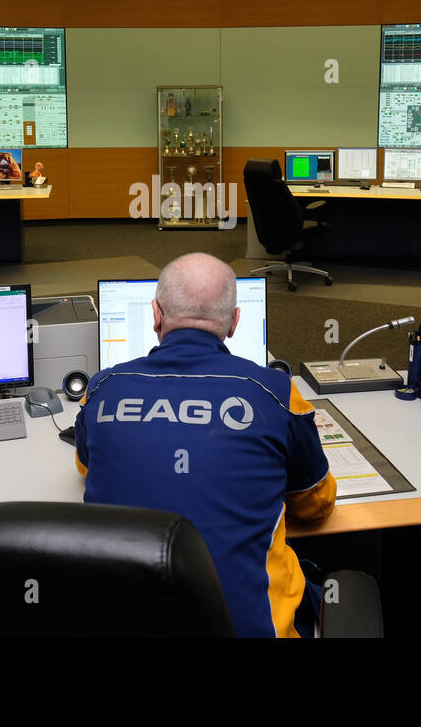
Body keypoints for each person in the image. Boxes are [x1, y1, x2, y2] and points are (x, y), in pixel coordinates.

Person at [74, 252, 337, 637]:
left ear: (156, 315)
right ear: (233, 323)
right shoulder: (277, 393)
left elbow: (86, 464)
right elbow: (317, 505)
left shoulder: (100, 389)